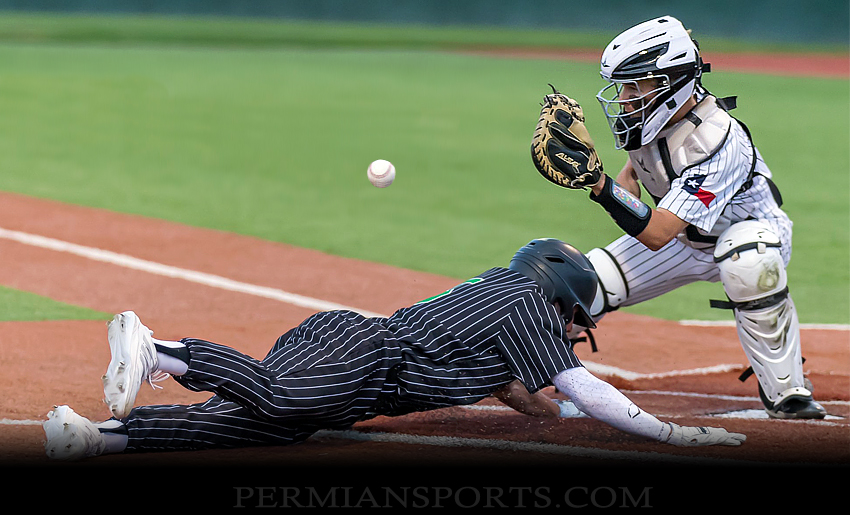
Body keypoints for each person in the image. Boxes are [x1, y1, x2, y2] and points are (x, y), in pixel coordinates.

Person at [43, 238, 745, 461]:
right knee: (283, 397)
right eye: (575, 312)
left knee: (264, 424)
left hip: (346, 353)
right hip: (362, 352)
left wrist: (552, 418)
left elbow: (513, 387)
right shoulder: (527, 304)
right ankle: (158, 347)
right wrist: (671, 433)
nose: (573, 324)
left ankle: (101, 436)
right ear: (558, 292)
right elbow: (585, 386)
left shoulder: (501, 305)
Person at [565, 15, 825, 419]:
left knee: (747, 258)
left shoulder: (717, 140)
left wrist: (598, 186)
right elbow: (639, 173)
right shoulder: (649, 120)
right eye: (624, 85)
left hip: (748, 233)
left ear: (672, 83)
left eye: (637, 85)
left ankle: (787, 389)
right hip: (687, 237)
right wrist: (616, 183)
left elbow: (657, 233)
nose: (626, 96)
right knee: (573, 284)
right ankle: (542, 365)